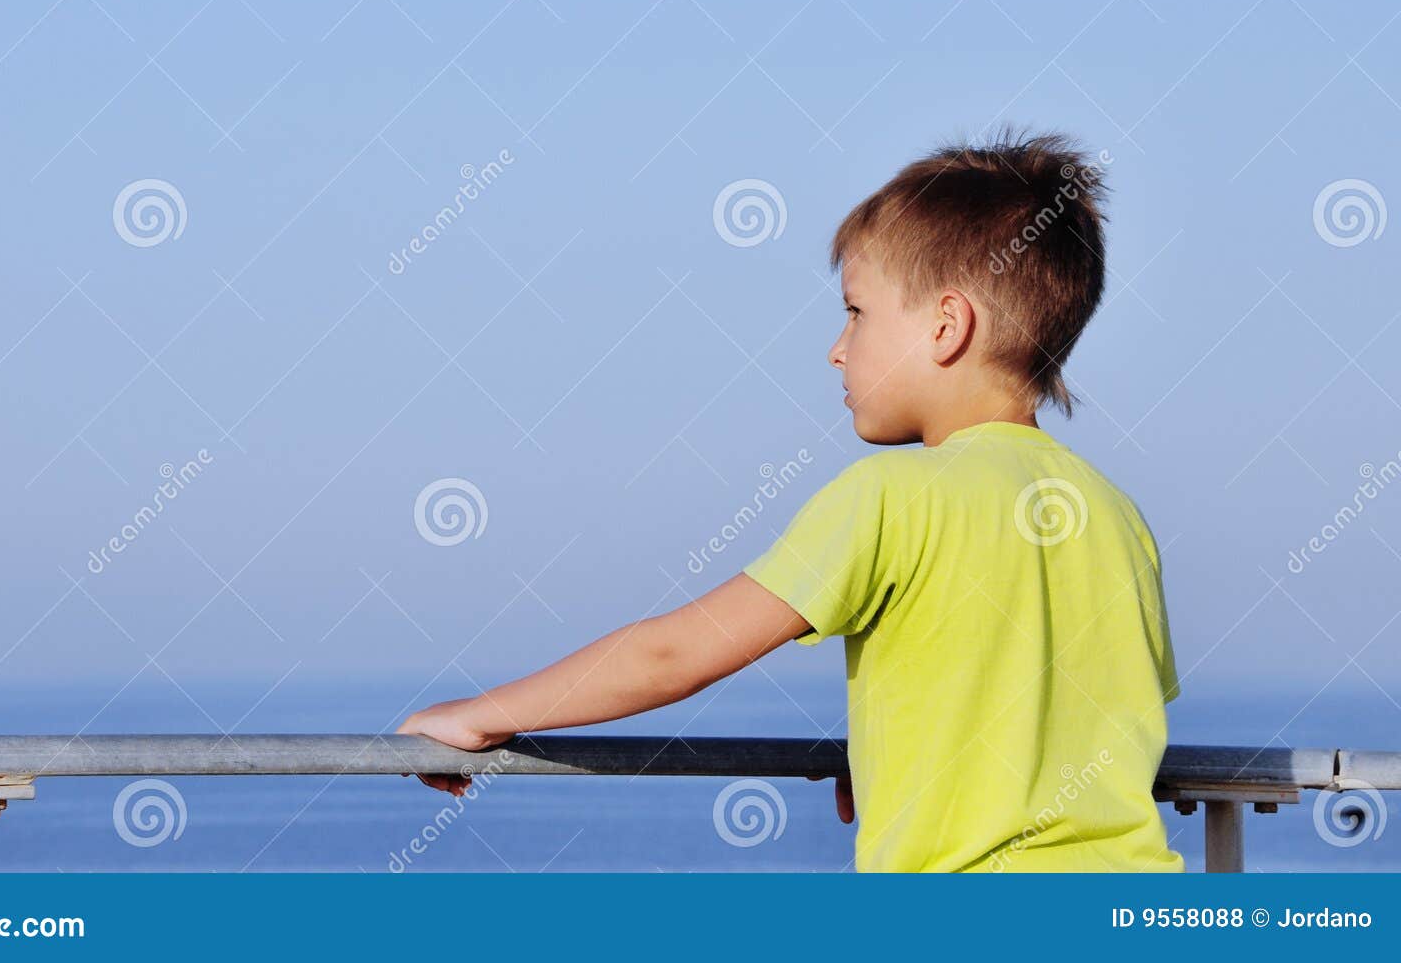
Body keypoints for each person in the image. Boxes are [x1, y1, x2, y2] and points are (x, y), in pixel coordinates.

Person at [397, 127, 1183, 872]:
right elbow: (1078, 721)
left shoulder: (890, 498)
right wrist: (895, 765)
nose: (838, 349)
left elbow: (675, 654)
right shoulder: (1116, 515)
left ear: (947, 325)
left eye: (857, 312)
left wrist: (480, 716)